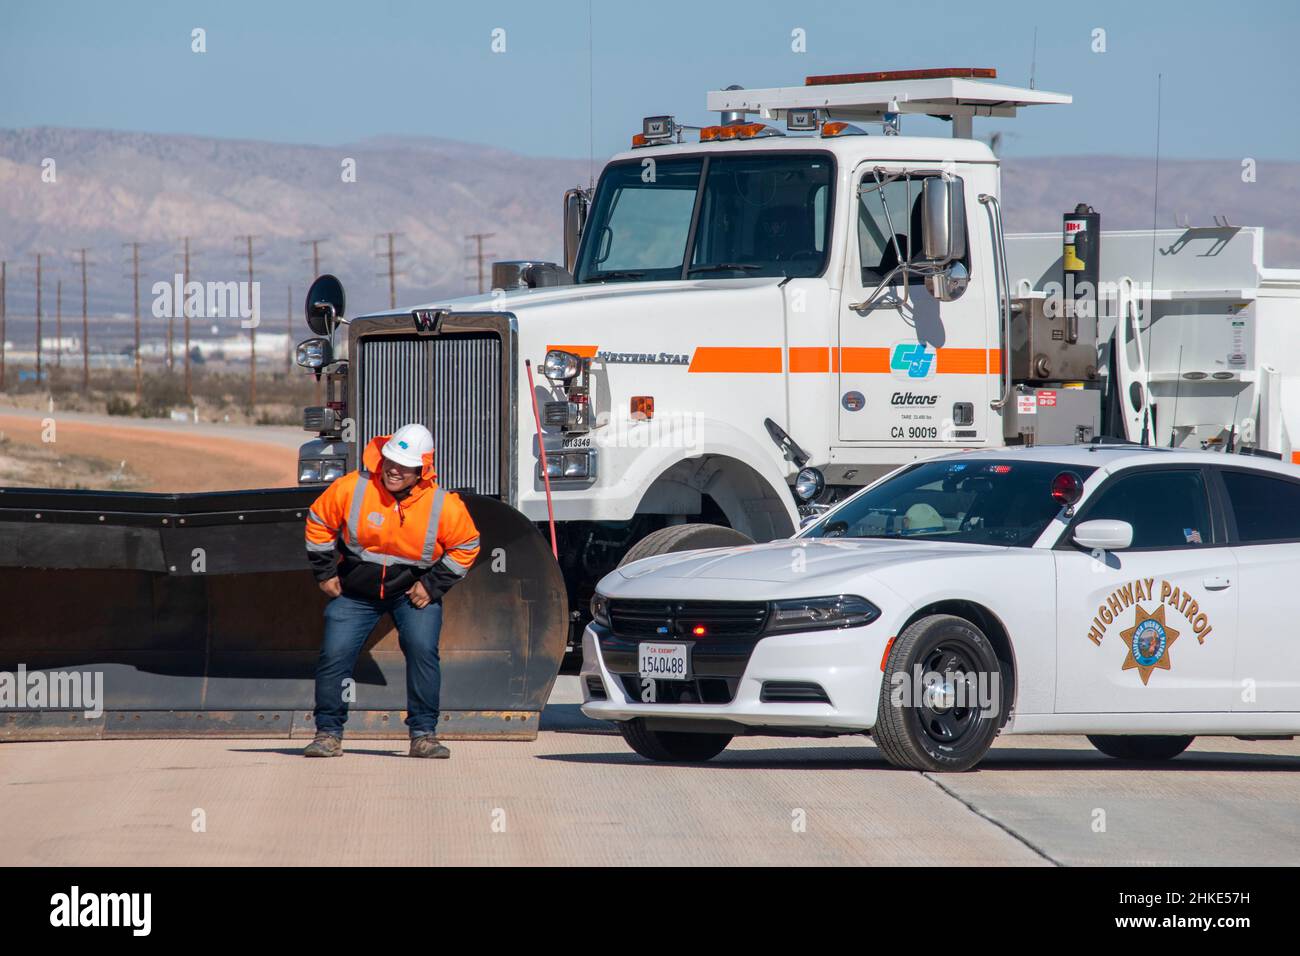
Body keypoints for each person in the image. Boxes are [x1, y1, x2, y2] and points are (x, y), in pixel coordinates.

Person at [302, 423, 480, 758]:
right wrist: (325, 573)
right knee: (334, 654)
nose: (394, 470)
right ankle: (328, 733)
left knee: (422, 650)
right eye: (390, 461)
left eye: (404, 465)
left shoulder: (443, 505)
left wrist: (431, 585)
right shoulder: (352, 487)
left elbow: (467, 545)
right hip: (355, 593)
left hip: (411, 595)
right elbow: (319, 521)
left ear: (422, 470)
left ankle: (424, 735)